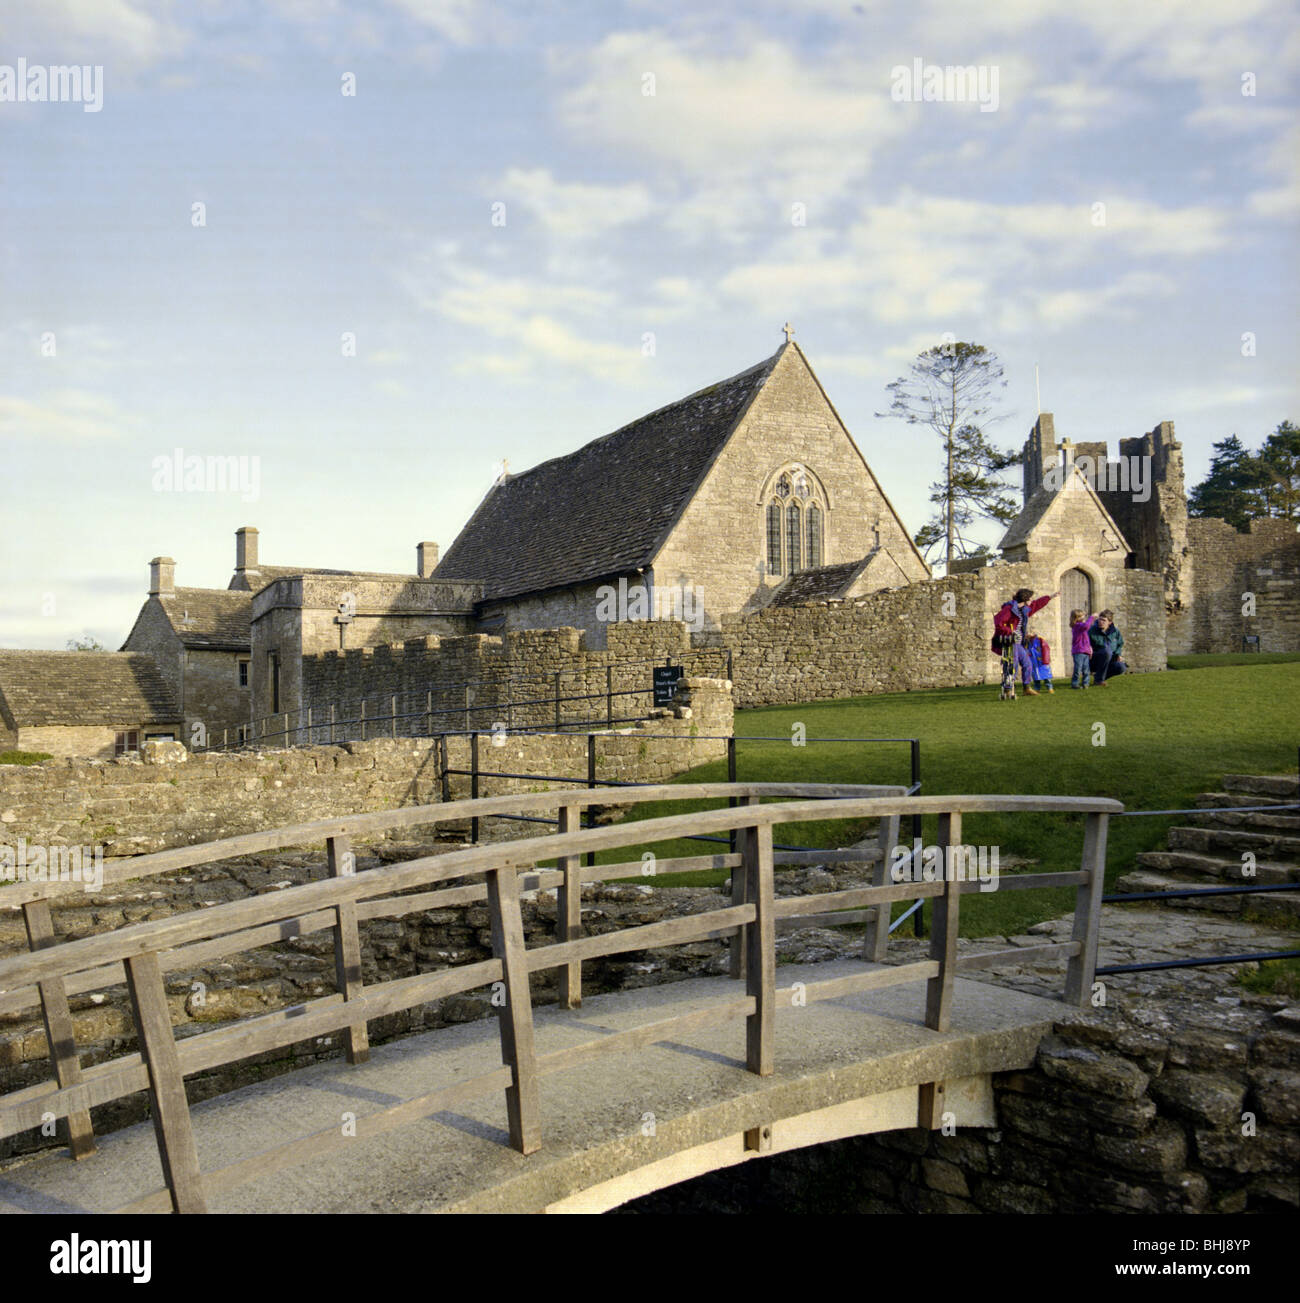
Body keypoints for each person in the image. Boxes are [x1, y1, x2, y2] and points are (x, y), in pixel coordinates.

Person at [992, 587, 1058, 698]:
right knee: (1012, 665)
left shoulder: (1025, 610)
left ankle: (1026, 688)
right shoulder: (1009, 609)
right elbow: (998, 623)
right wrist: (1010, 631)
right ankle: (1008, 689)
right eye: (1030, 599)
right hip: (1009, 641)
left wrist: (1050, 597)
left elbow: (1037, 605)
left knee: (1027, 664)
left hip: (1018, 643)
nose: (1032, 601)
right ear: (1025, 599)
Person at [1089, 610, 1127, 685]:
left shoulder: (1115, 632)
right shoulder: (1092, 630)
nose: (1101, 622)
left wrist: (1118, 654)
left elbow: (1120, 644)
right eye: (1100, 619)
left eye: (1104, 620)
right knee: (1107, 651)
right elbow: (1085, 643)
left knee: (1121, 667)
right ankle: (1099, 680)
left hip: (1110, 660)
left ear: (1109, 622)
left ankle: (1098, 679)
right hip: (1094, 660)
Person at [1069, 609, 1095, 689]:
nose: (1084, 617)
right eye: (1081, 616)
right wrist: (1092, 617)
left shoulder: (1082, 626)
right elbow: (1086, 626)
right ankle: (1075, 683)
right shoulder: (1077, 626)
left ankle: (1085, 683)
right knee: (1078, 668)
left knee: (1086, 669)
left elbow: (1086, 640)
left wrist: (1089, 649)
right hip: (1078, 651)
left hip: (1085, 651)